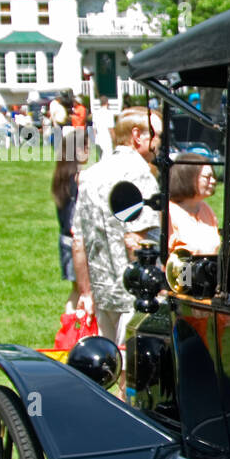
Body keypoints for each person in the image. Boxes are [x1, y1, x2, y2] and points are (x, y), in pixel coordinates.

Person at [71, 106, 162, 349]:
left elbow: (77, 241)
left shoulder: (90, 175)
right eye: (157, 136)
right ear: (137, 135)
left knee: (108, 367)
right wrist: (153, 292)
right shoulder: (140, 174)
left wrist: (86, 293)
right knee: (131, 376)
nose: (159, 144)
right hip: (134, 297)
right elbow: (138, 241)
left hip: (101, 293)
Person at [52, 125, 88, 311]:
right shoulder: (78, 179)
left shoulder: (62, 176)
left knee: (76, 290)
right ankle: (73, 330)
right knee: (83, 291)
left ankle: (69, 326)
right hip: (75, 240)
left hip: (64, 238)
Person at [167, 155, 221, 256]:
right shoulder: (169, 214)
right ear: (188, 178)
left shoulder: (206, 210)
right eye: (207, 177)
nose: (213, 181)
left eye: (213, 176)